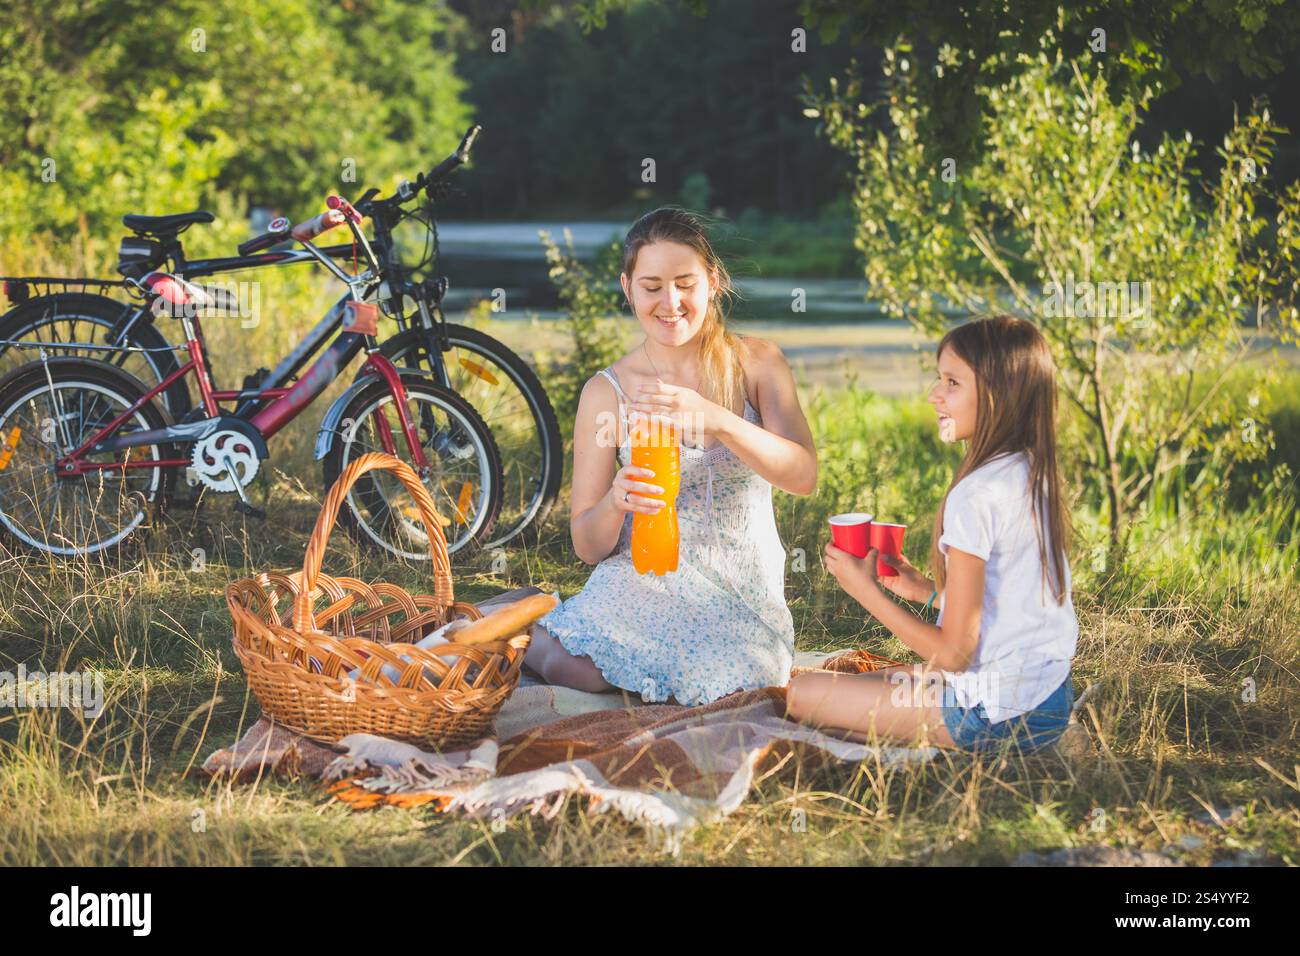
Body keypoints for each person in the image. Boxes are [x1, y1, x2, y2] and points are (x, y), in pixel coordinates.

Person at [526, 206, 817, 706]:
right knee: (585, 670)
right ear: (627, 287)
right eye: (652, 286)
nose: (671, 302)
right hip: (644, 581)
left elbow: (803, 475)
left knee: (739, 680)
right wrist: (616, 502)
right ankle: (523, 625)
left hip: (738, 589)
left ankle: (543, 618)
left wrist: (718, 418)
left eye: (686, 283)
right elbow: (587, 545)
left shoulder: (757, 363)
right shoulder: (607, 392)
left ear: (714, 281)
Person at [785, 315, 1078, 753]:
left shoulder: (976, 494)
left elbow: (953, 656)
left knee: (800, 697)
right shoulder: (1032, 472)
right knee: (864, 682)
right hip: (1047, 701)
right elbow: (1011, 607)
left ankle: (939, 742)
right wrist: (926, 592)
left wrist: (864, 590)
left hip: (991, 714)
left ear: (1000, 395)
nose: (933, 395)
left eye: (952, 383)